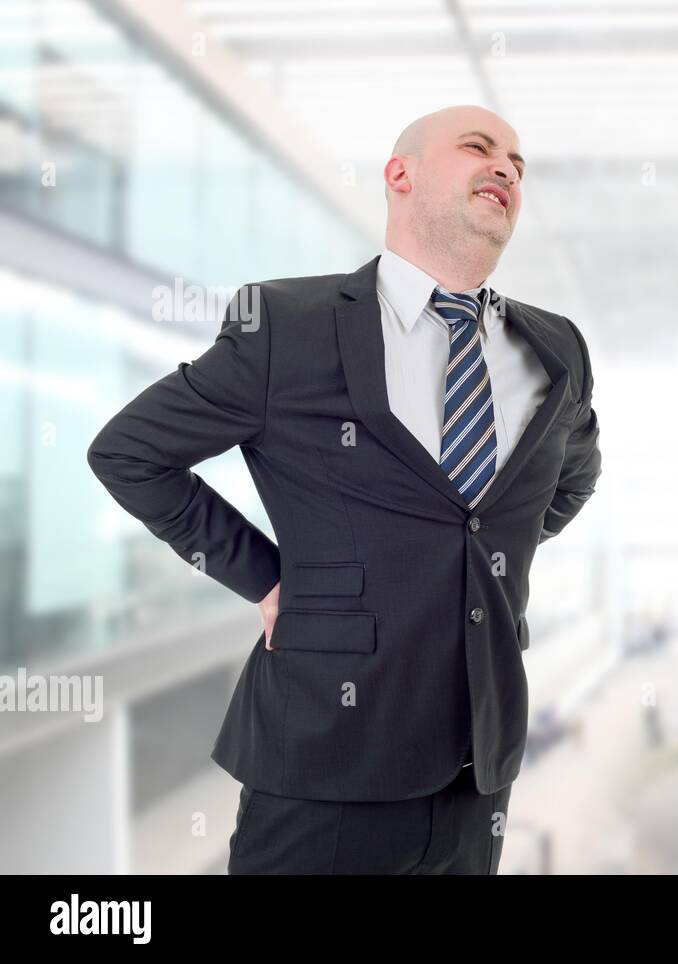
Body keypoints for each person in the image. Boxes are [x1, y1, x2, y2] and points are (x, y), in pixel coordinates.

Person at [86, 105, 602, 874]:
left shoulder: (555, 348)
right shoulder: (286, 327)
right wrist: (264, 575)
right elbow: (129, 454)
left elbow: (568, 479)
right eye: (479, 148)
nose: (506, 169)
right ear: (401, 174)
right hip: (324, 768)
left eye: (519, 165)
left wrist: (480, 561)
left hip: (477, 777)